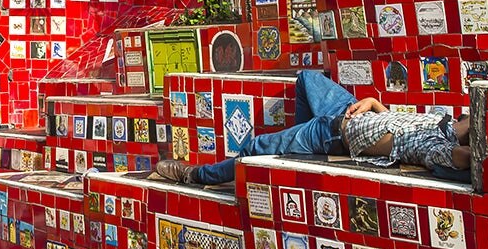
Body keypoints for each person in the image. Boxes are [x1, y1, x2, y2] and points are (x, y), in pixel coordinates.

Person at [156, 71, 471, 185]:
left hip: (334, 134)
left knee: (252, 149)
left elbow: (464, 155)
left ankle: (196, 175)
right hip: (348, 114)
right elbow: (396, 125)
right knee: (307, 79)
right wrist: (374, 103)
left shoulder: (441, 151)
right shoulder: (446, 127)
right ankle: (294, 149)